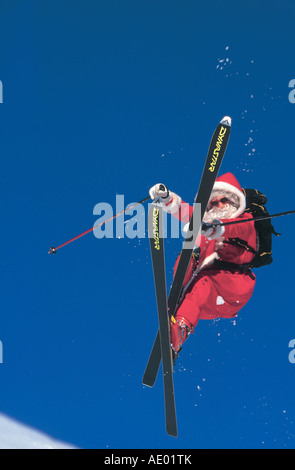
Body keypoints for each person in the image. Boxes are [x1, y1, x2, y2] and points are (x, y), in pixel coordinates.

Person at [149, 172, 257, 358]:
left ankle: (180, 329)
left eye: (224, 200)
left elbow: (235, 227)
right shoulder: (206, 229)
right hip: (207, 299)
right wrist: (168, 200)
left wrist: (215, 227)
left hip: (233, 288)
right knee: (189, 252)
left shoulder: (245, 221)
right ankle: (178, 310)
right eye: (213, 203)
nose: (218, 206)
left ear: (234, 202)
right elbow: (190, 213)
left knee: (202, 282)